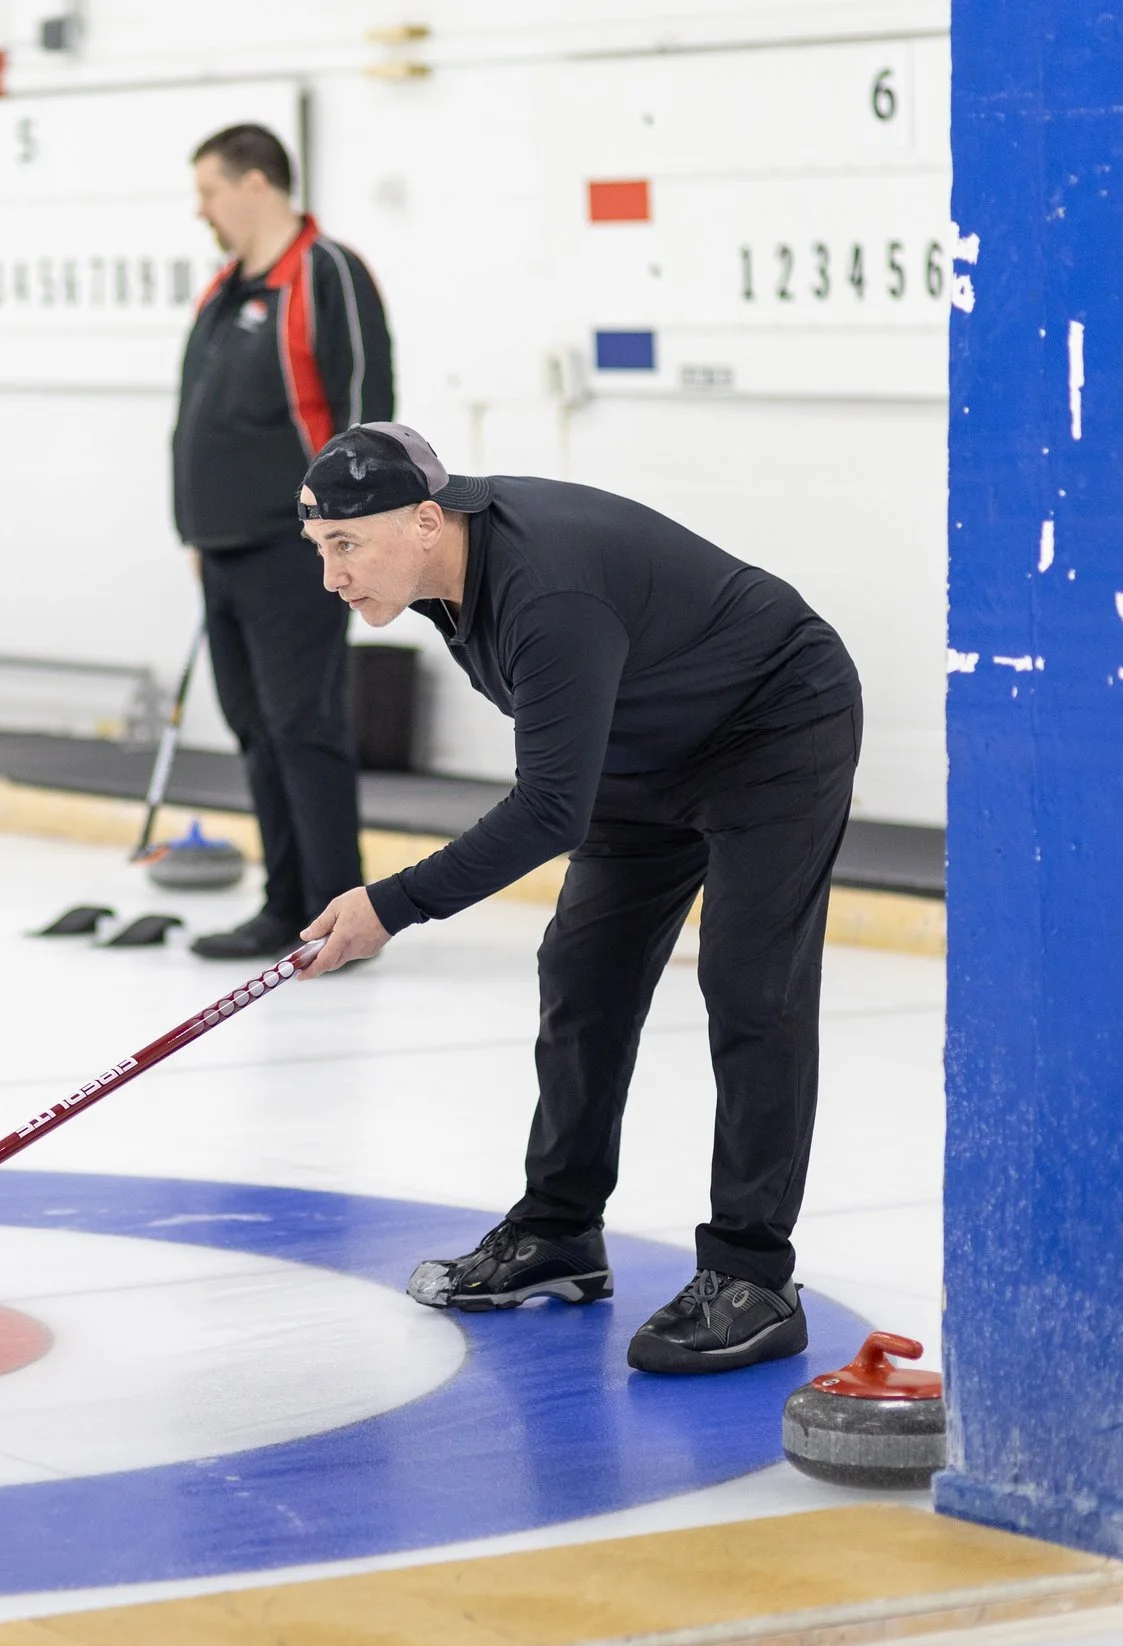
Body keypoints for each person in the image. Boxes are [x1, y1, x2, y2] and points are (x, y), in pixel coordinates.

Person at [292, 423, 862, 1376]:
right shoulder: (446, 575)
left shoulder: (542, 592)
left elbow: (551, 809)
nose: (332, 578)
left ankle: (754, 1278)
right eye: (320, 550)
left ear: (427, 520)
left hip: (772, 727)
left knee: (749, 984)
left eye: (346, 546)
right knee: (584, 974)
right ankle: (558, 1230)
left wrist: (392, 904)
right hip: (644, 753)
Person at [173, 123, 392, 959]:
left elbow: (368, 408)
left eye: (210, 190)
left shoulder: (325, 271)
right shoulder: (225, 289)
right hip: (222, 547)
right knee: (256, 729)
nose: (202, 210)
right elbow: (195, 419)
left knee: (304, 723)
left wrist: (355, 537)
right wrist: (190, 528)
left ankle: (341, 918)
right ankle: (285, 905)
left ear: (256, 183)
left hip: (299, 548)